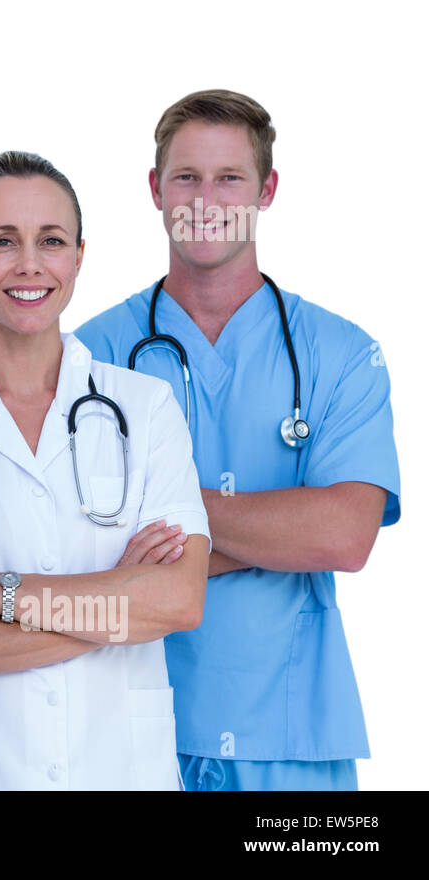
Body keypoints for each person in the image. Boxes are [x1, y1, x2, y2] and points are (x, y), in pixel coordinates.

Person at [74, 90, 400, 791]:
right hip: (125, 727)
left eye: (230, 178)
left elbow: (344, 535)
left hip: (288, 740)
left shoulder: (340, 353)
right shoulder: (88, 354)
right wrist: (273, 531)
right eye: (186, 177)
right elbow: (71, 538)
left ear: (267, 190)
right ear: (156, 190)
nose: (206, 198)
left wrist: (170, 526)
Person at [0, 150, 210, 790]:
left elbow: (178, 598)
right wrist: (118, 602)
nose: (30, 263)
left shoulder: (143, 407)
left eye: (51, 241)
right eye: (4, 241)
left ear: (79, 257)